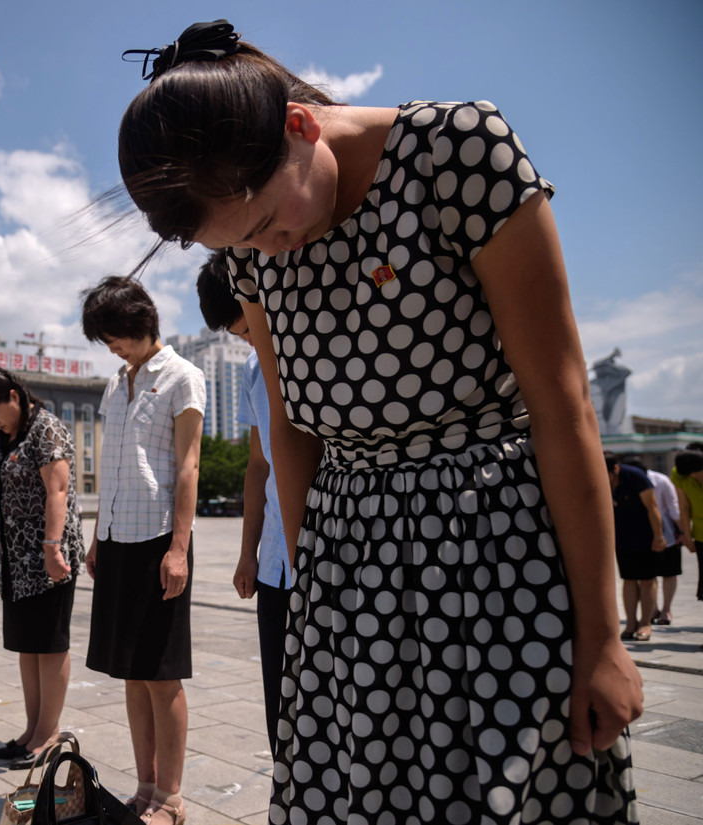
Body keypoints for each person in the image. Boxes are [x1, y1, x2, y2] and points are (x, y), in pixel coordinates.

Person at [114, 20, 641, 823]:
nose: (273, 252)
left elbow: (562, 403)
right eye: (242, 246)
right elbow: (290, 430)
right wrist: (316, 598)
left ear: (299, 126)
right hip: (348, 579)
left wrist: (603, 635)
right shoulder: (253, 257)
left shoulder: (459, 153)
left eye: (265, 226)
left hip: (497, 560)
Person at [80, 276, 204, 825]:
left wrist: (179, 548)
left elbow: (187, 466)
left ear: (139, 324)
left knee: (161, 671)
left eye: (115, 337)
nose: (112, 347)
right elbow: (113, 464)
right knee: (130, 672)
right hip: (116, 538)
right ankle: (145, 785)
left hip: (158, 541)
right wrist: (96, 534)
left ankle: (172, 799)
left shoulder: (183, 377)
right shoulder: (116, 383)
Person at [0, 367, 85, 767]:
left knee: (49, 645)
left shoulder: (46, 428)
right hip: (15, 557)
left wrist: (52, 548)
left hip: (48, 555)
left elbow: (58, 490)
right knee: (27, 646)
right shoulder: (6, 438)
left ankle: (49, 734)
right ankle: (32, 729)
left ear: (14, 396)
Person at [197, 250, 292, 754]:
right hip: (276, 564)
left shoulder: (313, 349)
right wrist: (246, 553)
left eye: (252, 327)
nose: (252, 340)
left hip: (326, 557)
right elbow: (258, 466)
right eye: (241, 336)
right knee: (280, 703)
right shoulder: (255, 372)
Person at [625, 458, 689, 626]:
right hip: (641, 537)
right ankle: (652, 609)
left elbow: (674, 508)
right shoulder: (625, 483)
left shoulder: (661, 481)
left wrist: (682, 531)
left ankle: (666, 609)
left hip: (667, 534)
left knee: (669, 572)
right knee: (646, 576)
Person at [607, 454, 665, 642]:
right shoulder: (602, 479)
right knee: (629, 579)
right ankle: (631, 623)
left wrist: (659, 536)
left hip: (645, 536)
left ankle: (646, 623)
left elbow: (653, 507)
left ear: (615, 468)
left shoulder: (636, 477)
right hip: (621, 538)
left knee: (647, 580)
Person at [670, 449, 703, 605]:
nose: (693, 477)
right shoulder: (679, 474)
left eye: (696, 473)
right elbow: (684, 507)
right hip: (700, 532)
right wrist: (687, 536)